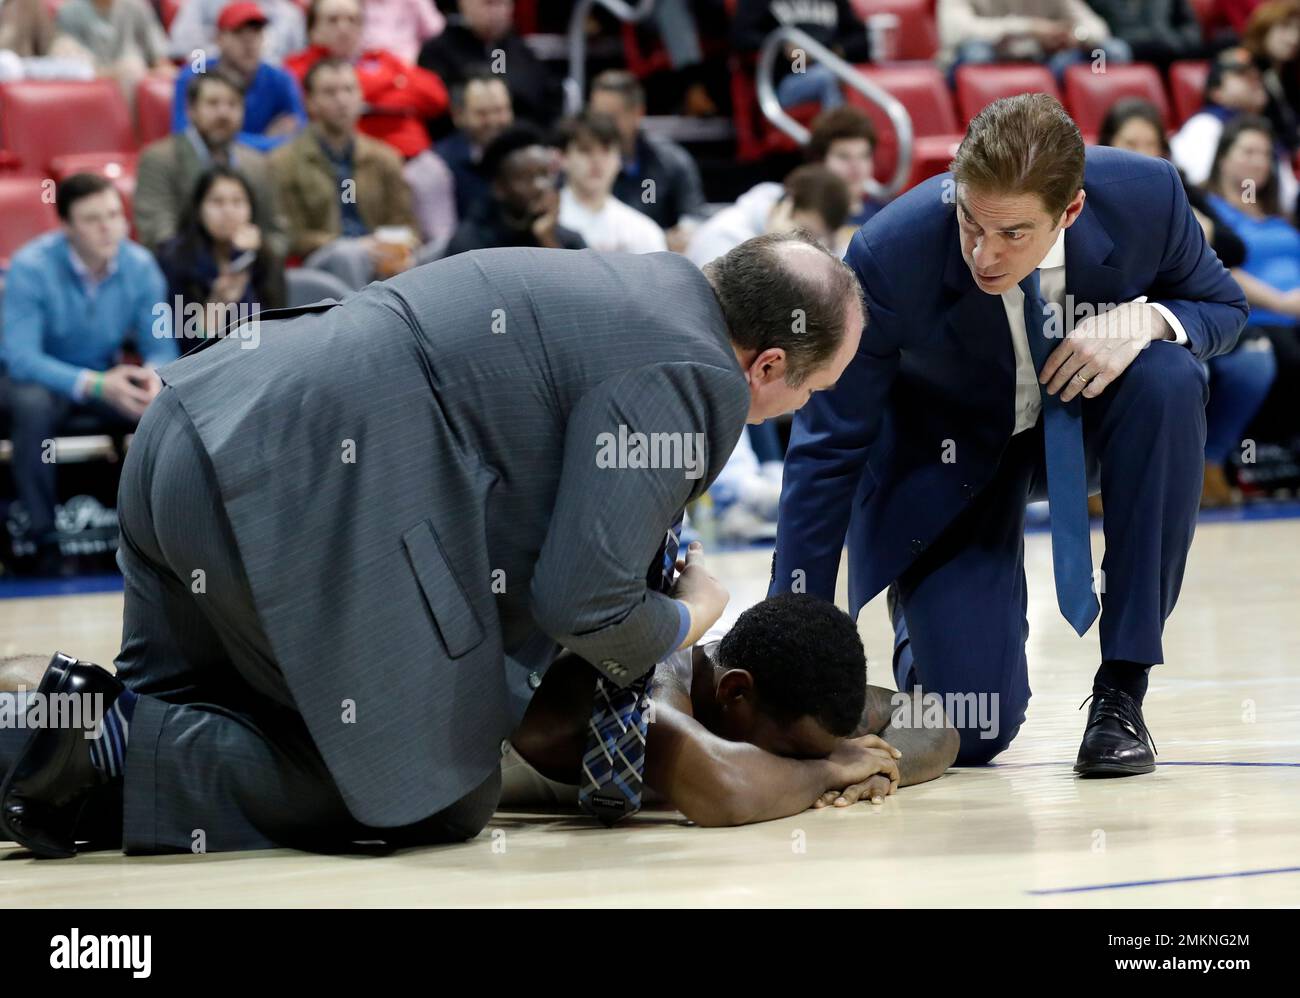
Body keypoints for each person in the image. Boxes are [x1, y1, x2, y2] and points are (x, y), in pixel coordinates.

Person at [0, 230, 866, 857]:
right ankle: (100, 752)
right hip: (292, 486)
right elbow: (583, 603)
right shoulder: (700, 374)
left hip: (196, 421)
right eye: (816, 390)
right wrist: (688, 617)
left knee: (182, 707)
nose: (803, 413)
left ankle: (71, 739)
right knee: (436, 800)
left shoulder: (641, 288)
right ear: (767, 366)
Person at [771, 94, 1247, 776]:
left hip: (1083, 436)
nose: (983, 254)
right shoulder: (888, 251)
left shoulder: (1149, 196)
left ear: (1070, 211)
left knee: (1169, 377)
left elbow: (1224, 308)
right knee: (975, 729)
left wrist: (1149, 320)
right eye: (970, 222)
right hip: (947, 462)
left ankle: (1121, 691)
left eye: (1013, 234)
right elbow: (828, 444)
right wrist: (788, 645)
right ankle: (926, 627)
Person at [501, 594, 959, 822]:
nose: (803, 761)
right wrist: (832, 769)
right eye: (792, 754)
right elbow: (723, 790)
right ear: (734, 692)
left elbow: (931, 716)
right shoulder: (656, 678)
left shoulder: (781, 696)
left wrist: (884, 769)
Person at [0, 174, 176, 574]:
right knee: (31, 404)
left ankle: (165, 538)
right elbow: (21, 356)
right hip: (40, 381)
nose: (108, 227)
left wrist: (150, 378)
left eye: (114, 215)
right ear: (65, 226)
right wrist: (97, 384)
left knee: (168, 400)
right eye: (92, 218)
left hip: (105, 377)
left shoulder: (141, 266)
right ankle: (43, 541)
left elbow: (161, 346)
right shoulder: (31, 267)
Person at [1099, 99, 1269, 508]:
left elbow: (1236, 247)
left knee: (1254, 359)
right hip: (1112, 317)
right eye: (1129, 141)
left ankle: (1208, 463)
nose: (1140, 151)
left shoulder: (1177, 187)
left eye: (1150, 142)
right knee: (1180, 371)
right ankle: (1111, 476)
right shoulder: (1091, 190)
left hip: (1182, 313)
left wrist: (1200, 227)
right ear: (1108, 143)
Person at [1203, 115, 1297, 500]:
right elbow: (1217, 267)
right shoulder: (1211, 213)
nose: (1258, 161)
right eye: (1248, 151)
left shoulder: (1280, 216)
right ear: (1223, 158)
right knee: (1286, 354)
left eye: (1264, 154)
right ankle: (1253, 462)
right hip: (1253, 317)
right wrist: (1281, 302)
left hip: (1292, 317)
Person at [270, 57, 420, 287]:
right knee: (348, 255)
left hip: (380, 257)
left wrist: (396, 246)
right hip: (321, 265)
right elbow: (288, 236)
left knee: (436, 252)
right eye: (330, 92)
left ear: (360, 96)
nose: (342, 100)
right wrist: (355, 245)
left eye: (349, 90)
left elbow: (405, 222)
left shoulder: (385, 157)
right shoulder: (283, 162)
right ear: (310, 102)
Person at [135, 69, 287, 259]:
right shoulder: (159, 159)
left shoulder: (256, 163)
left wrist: (256, 252)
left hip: (248, 273)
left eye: (233, 104)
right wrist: (214, 265)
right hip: (184, 278)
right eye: (213, 103)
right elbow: (157, 234)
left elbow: (277, 234)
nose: (223, 113)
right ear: (191, 111)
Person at [155, 164, 287, 355]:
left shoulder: (267, 258)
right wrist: (218, 301)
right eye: (217, 202)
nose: (228, 211)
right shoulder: (173, 259)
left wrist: (242, 257)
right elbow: (189, 349)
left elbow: (265, 337)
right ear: (198, 210)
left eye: (238, 202)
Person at [1170, 45, 1299, 216]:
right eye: (1242, 75)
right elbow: (1204, 188)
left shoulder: (1265, 131)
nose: (1254, 79)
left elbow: (1288, 199)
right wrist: (1251, 217)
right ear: (1217, 92)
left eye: (1256, 76)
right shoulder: (1204, 125)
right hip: (1233, 226)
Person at [588, 70, 707, 251]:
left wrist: (682, 233)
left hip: (656, 258)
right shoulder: (580, 164)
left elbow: (693, 217)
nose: (602, 125)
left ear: (637, 113)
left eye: (611, 117)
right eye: (597, 116)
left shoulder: (670, 160)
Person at [171, 2, 307, 153]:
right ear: (219, 39)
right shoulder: (195, 73)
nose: (249, 43)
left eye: (256, 32)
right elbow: (185, 138)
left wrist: (221, 136)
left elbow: (301, 136)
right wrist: (268, 141)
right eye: (238, 33)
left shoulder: (281, 78)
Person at [417, 0, 562, 134]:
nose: (497, 12)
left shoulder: (520, 52)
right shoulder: (438, 52)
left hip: (519, 138)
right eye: (489, 3)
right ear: (464, 4)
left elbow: (546, 103)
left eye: (503, 3)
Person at [442, 122, 585, 256]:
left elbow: (580, 282)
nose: (540, 186)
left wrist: (546, 238)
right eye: (526, 178)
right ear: (499, 187)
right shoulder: (470, 244)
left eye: (544, 174)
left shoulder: (568, 241)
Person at [686, 164, 851, 268]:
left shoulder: (819, 244)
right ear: (787, 206)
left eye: (817, 237)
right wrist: (776, 246)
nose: (807, 243)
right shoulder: (723, 236)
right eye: (805, 231)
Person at [556, 111, 667, 255]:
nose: (596, 161)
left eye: (606, 151)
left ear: (619, 159)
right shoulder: (546, 224)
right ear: (563, 158)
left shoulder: (642, 230)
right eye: (585, 150)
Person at [731, 0, 871, 111]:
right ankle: (839, 140)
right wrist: (782, 46)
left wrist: (835, 51)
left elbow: (862, 38)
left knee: (860, 78)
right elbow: (740, 37)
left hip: (831, 65)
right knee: (827, 79)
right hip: (790, 75)